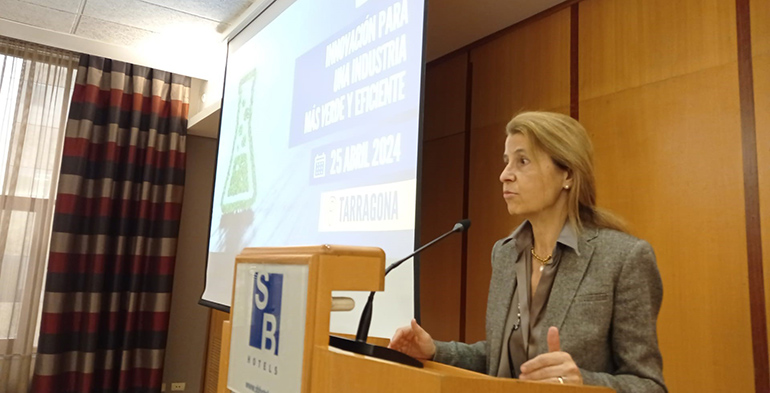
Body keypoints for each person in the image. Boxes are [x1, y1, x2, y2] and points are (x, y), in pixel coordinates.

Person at [389, 111, 666, 392]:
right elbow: (499, 359)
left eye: (522, 161)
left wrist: (583, 382)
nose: (504, 175)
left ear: (567, 173)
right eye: (506, 161)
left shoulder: (623, 258)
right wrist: (436, 350)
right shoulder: (505, 253)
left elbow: (649, 384)